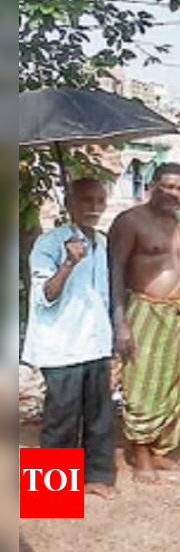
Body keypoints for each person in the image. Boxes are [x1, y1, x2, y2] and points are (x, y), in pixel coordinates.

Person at [109, 164, 180, 484]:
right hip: (145, 312)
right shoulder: (130, 221)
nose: (174, 193)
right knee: (142, 385)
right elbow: (115, 270)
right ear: (153, 184)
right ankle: (139, 453)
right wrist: (119, 321)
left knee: (174, 385)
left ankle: (157, 449)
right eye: (168, 186)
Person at [22, 178, 116, 498]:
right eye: (85, 200)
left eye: (99, 200)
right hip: (61, 344)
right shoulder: (50, 243)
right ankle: (50, 492)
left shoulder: (102, 243)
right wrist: (68, 263)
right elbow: (44, 296)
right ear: (69, 203)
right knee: (61, 414)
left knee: (100, 414)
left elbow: (105, 295)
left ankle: (97, 476)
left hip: (96, 342)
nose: (93, 207)